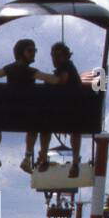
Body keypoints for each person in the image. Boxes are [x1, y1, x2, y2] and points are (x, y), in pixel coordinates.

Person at [37, 42, 85, 178]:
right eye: (53, 56)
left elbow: (61, 81)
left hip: (68, 112)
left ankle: (44, 158)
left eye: (57, 56)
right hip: (71, 112)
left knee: (45, 127)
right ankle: (73, 162)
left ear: (65, 56)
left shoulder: (66, 66)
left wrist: (43, 77)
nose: (54, 59)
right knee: (51, 127)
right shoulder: (67, 66)